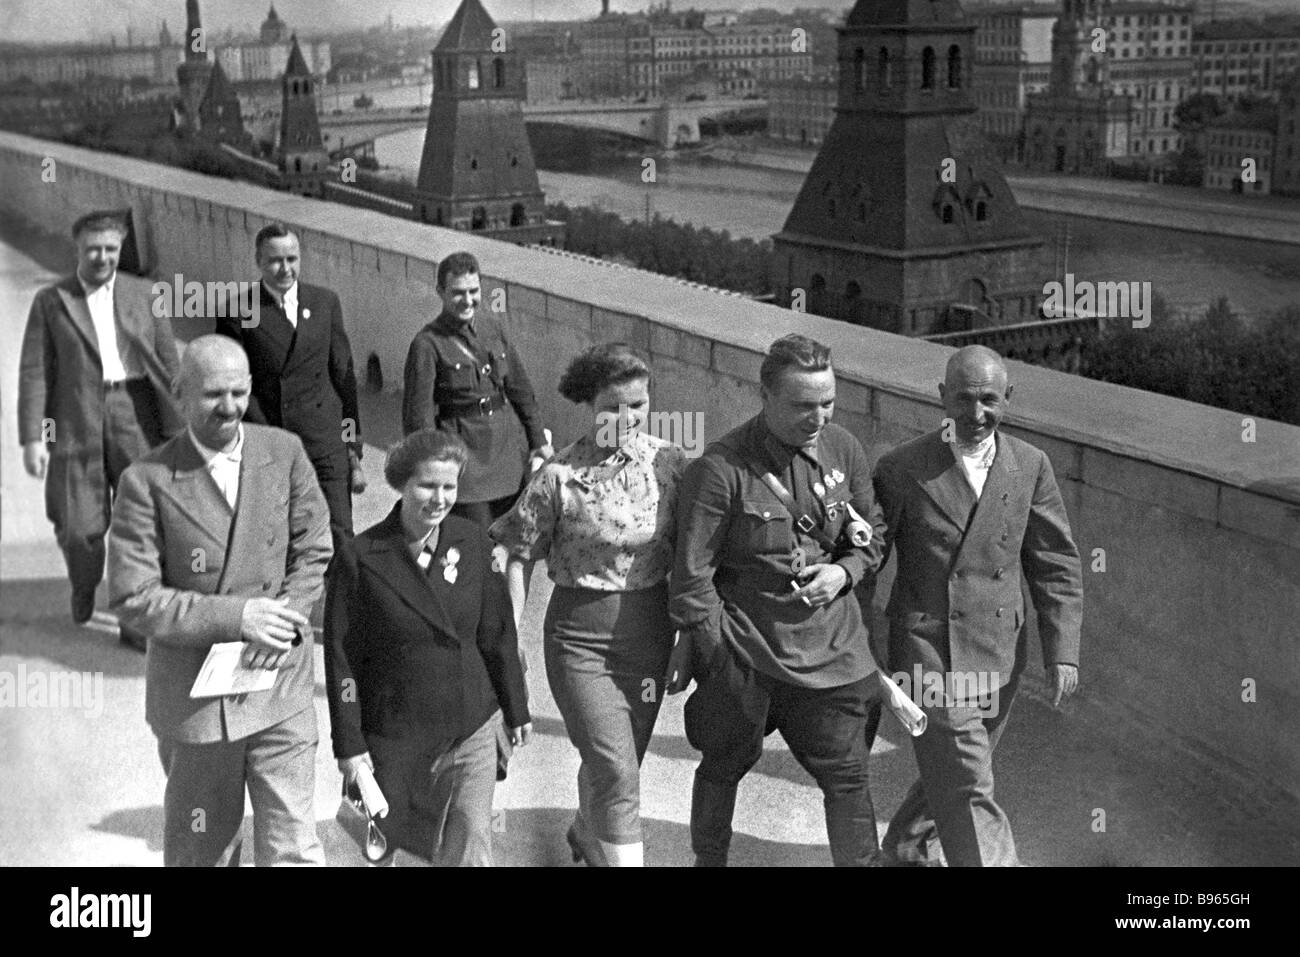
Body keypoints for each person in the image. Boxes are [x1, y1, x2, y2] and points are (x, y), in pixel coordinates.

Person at [108, 335, 333, 866]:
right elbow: (133, 596)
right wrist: (238, 616)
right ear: (179, 392)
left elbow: (314, 549)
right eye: (213, 394)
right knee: (202, 852)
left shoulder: (285, 452)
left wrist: (286, 622)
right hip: (197, 707)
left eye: (238, 392)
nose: (229, 407)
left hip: (280, 688)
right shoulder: (145, 481)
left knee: (294, 849)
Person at [668, 334, 888, 867]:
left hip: (832, 653)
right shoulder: (721, 469)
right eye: (803, 406)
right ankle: (709, 860)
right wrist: (719, 654)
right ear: (764, 395)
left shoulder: (844, 450)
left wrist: (844, 571)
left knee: (849, 776)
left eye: (828, 402)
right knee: (723, 763)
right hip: (747, 654)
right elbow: (692, 578)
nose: (819, 417)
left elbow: (872, 534)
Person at [871, 345, 1083, 867]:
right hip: (928, 653)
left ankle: (902, 850)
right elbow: (868, 555)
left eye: (989, 400)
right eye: (963, 399)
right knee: (967, 780)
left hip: (1000, 650)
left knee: (960, 767)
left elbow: (1054, 561)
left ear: (1008, 398)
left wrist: (1064, 651)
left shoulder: (1030, 465)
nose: (977, 414)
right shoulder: (902, 467)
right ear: (942, 397)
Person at [491, 344, 686, 867]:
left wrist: (688, 636)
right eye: (613, 408)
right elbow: (515, 550)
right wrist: (510, 631)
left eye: (638, 406)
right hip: (579, 642)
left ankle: (585, 828)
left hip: (650, 638)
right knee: (615, 767)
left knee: (619, 764)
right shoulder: (559, 475)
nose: (627, 419)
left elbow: (696, 555)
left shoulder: (670, 464)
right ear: (590, 406)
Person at [325, 429, 532, 866]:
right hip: (397, 734)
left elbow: (497, 633)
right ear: (401, 484)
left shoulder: (473, 542)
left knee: (471, 841)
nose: (440, 498)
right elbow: (342, 661)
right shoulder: (360, 559)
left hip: (470, 720)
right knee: (393, 848)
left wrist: (515, 708)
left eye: (450, 487)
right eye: (428, 486)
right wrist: (349, 745)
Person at [18, 210, 183, 644]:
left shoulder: (145, 294)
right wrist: (34, 437)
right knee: (78, 527)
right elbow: (35, 370)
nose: (103, 257)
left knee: (139, 523)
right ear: (77, 249)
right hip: (75, 419)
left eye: (111, 249)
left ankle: (134, 623)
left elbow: (170, 366)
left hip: (135, 412)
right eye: (94, 249)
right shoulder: (52, 301)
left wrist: (186, 427)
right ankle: (84, 580)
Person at [214, 221, 365, 559]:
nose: (286, 269)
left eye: (293, 259)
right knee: (285, 537)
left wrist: (352, 441)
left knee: (341, 532)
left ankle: (343, 607)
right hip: (274, 439)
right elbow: (236, 387)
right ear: (258, 261)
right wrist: (262, 437)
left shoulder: (325, 302)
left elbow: (343, 374)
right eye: (275, 261)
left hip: (326, 438)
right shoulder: (240, 311)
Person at [401, 251, 553, 528]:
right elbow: (418, 417)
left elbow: (520, 389)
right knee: (475, 544)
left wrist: (538, 440)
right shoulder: (427, 344)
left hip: (507, 459)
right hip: (466, 465)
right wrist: (432, 471)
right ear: (440, 292)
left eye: (474, 291)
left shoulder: (493, 328)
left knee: (513, 542)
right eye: (458, 293)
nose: (468, 300)